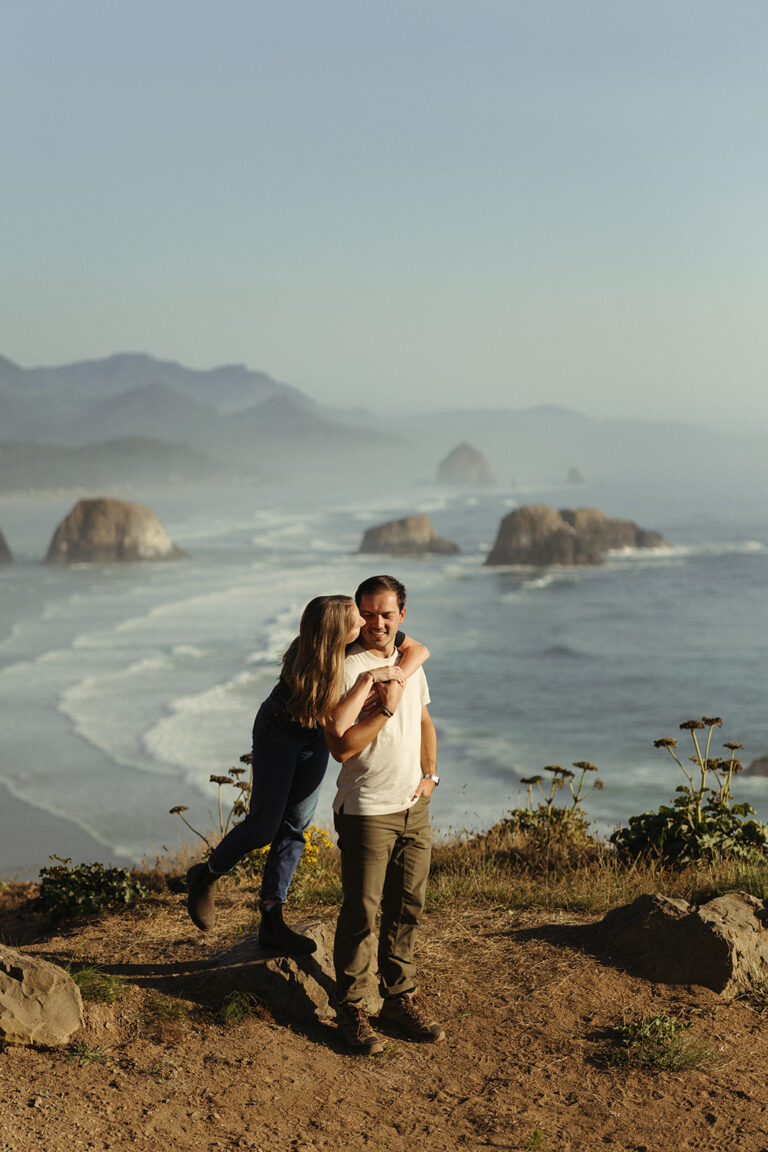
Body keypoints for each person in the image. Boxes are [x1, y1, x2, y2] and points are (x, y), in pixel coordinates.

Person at [185, 594, 429, 955]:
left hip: (315, 736)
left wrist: (396, 679)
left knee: (296, 825)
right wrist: (370, 681)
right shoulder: (310, 663)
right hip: (281, 731)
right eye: (357, 620)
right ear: (336, 632)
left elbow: (419, 650)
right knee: (264, 826)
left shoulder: (353, 641)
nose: (367, 625)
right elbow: (335, 718)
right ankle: (206, 874)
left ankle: (271, 918)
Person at [325, 575, 444, 1054]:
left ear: (402, 616)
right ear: (357, 614)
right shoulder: (344, 667)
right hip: (367, 809)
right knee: (361, 911)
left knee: (407, 906)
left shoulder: (407, 662)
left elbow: (425, 719)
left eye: (386, 614)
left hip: (413, 806)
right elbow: (342, 747)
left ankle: (398, 998)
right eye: (368, 613)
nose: (376, 623)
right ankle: (352, 1009)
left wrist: (431, 777)